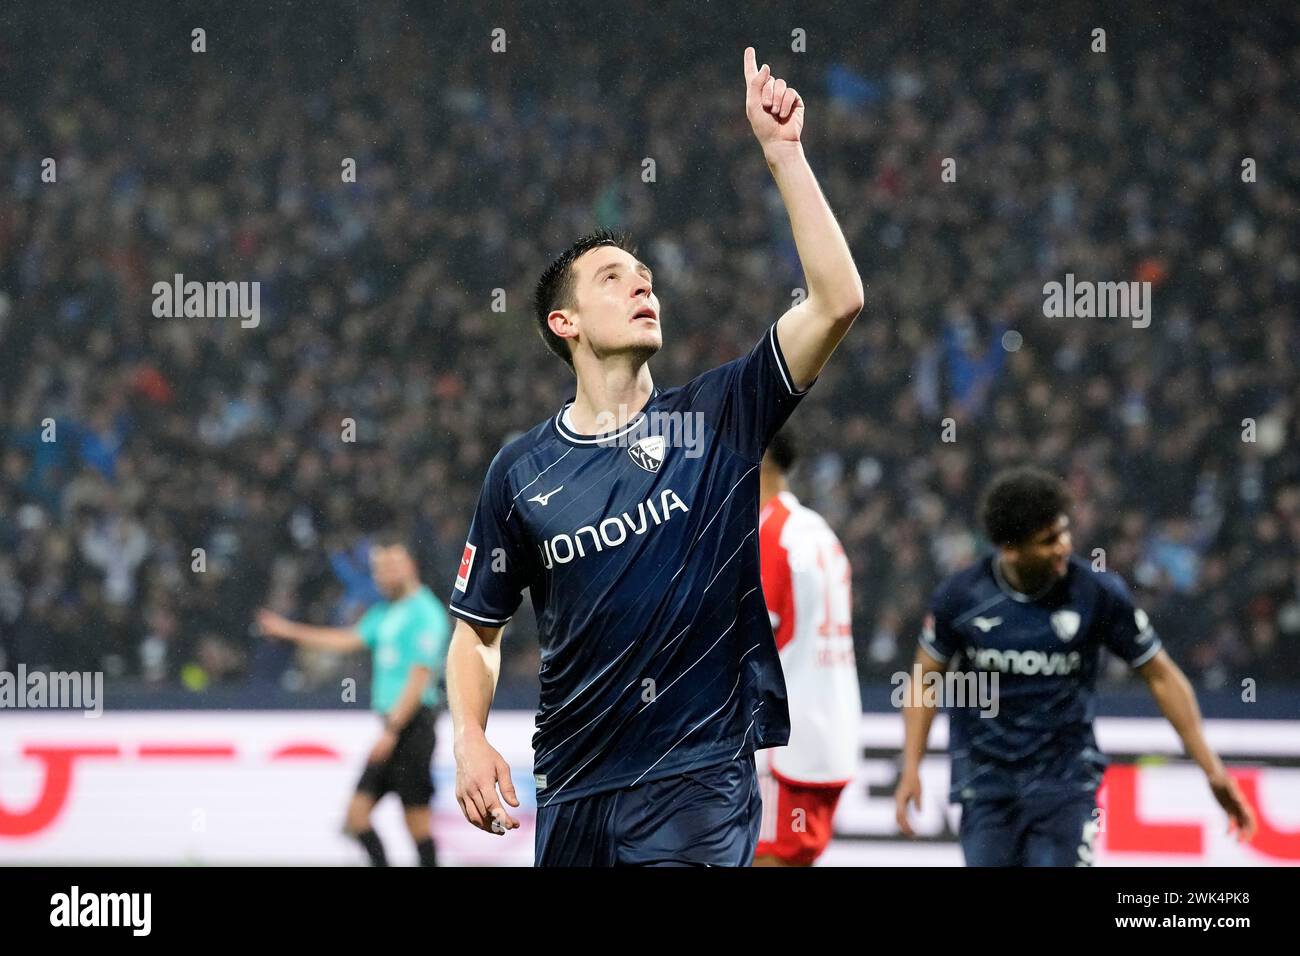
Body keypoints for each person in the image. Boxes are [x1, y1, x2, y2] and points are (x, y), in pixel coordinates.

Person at [445, 46, 864, 866]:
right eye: (613, 278)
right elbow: (478, 631)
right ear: (564, 324)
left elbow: (838, 301)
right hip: (571, 785)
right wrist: (467, 735)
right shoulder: (521, 472)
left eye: (646, 276)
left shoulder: (718, 415)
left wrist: (785, 156)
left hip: (699, 777)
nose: (644, 286)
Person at [894, 465, 1257, 866]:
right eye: (1049, 539)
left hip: (1065, 785)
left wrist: (1213, 770)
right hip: (987, 787)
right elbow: (924, 679)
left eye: (1064, 531)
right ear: (1010, 548)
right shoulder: (961, 597)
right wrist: (911, 765)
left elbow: (1161, 675)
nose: (1064, 546)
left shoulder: (1096, 592)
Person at [257, 536, 451, 866]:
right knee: (356, 817)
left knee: (416, 824)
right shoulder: (386, 613)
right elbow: (345, 639)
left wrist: (391, 731)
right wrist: (289, 631)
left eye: (390, 566)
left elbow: (420, 678)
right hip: (394, 727)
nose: (382, 574)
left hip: (412, 726)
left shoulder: (426, 613)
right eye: (378, 568)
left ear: (410, 567)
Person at [753, 430, 862, 866]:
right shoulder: (817, 530)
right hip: (829, 730)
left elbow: (750, 640)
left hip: (786, 745)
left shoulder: (769, 535)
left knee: (766, 860)